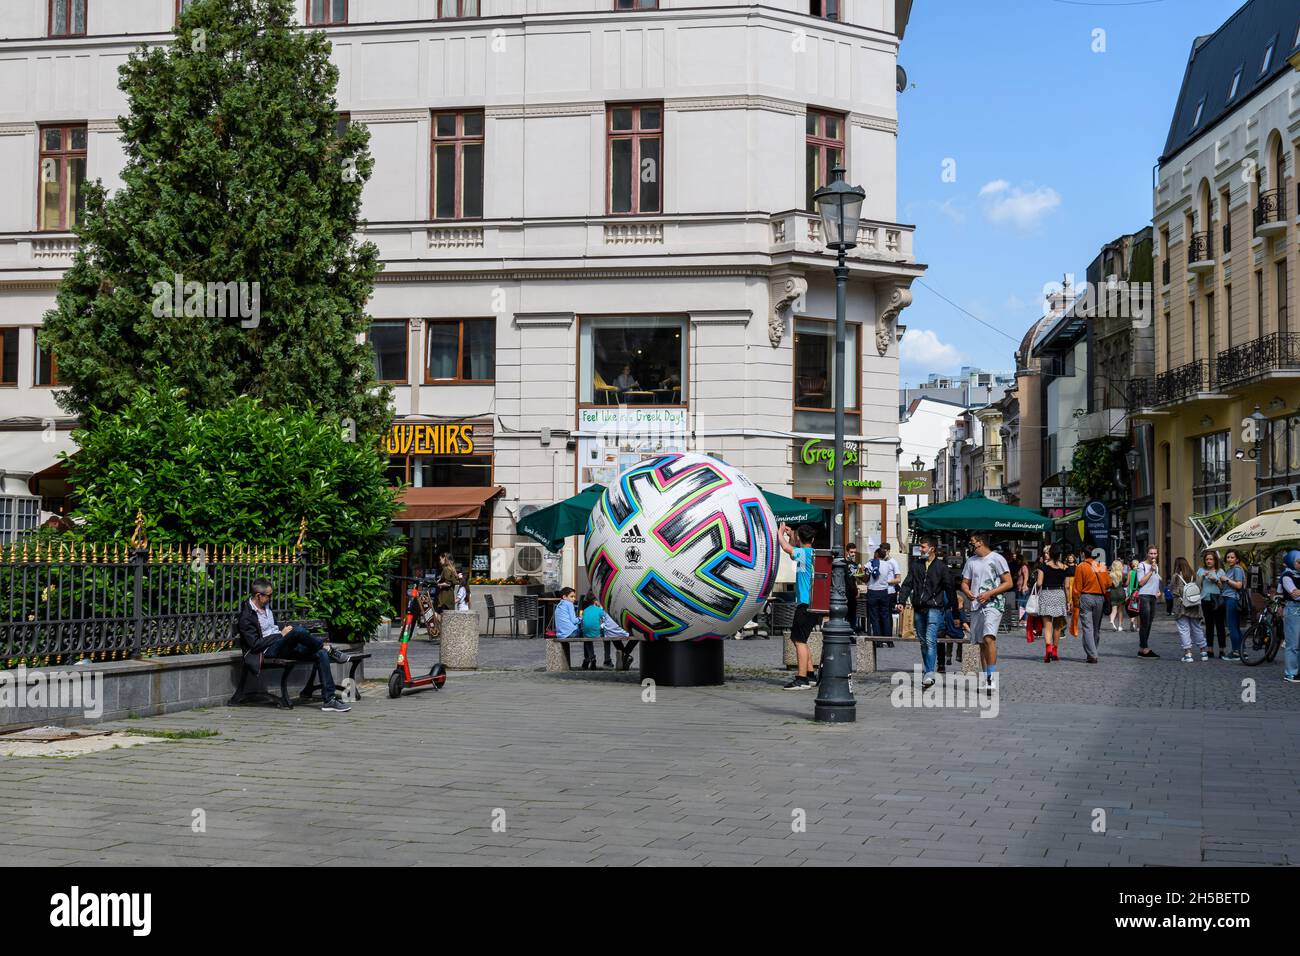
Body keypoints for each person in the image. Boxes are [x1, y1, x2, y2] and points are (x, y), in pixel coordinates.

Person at [237, 578, 351, 713]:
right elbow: (255, 645)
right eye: (269, 596)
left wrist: (283, 632)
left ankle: (329, 700)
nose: (271, 598)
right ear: (258, 595)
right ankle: (327, 647)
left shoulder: (266, 606)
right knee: (299, 631)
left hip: (281, 646)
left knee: (320, 654)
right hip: (266, 651)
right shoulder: (246, 617)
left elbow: (271, 629)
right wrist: (281, 635)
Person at [895, 535, 958, 689]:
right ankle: (928, 671)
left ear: (931, 548)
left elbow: (950, 590)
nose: (920, 550)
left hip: (934, 608)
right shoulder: (916, 565)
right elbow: (907, 583)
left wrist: (955, 612)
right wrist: (901, 601)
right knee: (923, 642)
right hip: (919, 608)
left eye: (923, 547)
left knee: (930, 640)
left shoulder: (942, 568)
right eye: (920, 547)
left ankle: (929, 673)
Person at [961, 531, 1012, 697]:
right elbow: (964, 583)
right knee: (982, 642)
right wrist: (967, 591)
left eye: (972, 541)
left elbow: (1008, 583)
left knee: (989, 637)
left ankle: (991, 677)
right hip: (976, 605)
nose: (970, 544)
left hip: (994, 604)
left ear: (980, 542)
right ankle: (986, 678)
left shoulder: (997, 559)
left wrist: (990, 593)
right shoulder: (971, 561)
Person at [778, 523, 820, 690]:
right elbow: (792, 552)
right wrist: (791, 537)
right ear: (813, 539)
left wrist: (780, 533)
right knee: (802, 639)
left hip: (804, 604)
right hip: (813, 604)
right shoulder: (811, 554)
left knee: (799, 640)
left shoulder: (803, 553)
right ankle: (810, 675)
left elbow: (786, 548)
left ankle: (801, 678)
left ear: (800, 539)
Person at [1034, 543, 1070, 663]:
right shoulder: (1065, 567)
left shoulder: (1043, 567)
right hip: (1059, 595)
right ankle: (1055, 652)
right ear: (1059, 554)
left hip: (1046, 594)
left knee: (1047, 626)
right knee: (1058, 626)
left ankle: (1048, 650)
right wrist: (1068, 601)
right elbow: (1067, 586)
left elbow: (1039, 583)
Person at [1074, 548, 1107, 664]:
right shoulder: (1101, 566)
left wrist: (1075, 602)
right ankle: (1093, 651)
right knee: (1096, 627)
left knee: (1088, 627)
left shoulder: (1081, 566)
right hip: (1100, 598)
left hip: (1086, 597)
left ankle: (1092, 654)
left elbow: (1077, 587)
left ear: (1083, 554)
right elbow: (1108, 583)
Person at [1171, 556, 1207, 662]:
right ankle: (1203, 651)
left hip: (1181, 607)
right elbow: (1200, 589)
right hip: (1194, 606)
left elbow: (1173, 591)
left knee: (1184, 629)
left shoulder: (1176, 577)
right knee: (1197, 628)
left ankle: (1188, 653)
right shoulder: (1195, 576)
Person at [555, 587, 597, 669]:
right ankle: (591, 659)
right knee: (588, 634)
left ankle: (587, 660)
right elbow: (574, 621)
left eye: (574, 596)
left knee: (585, 634)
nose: (574, 599)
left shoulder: (559, 605)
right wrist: (581, 618)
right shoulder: (569, 604)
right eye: (571, 596)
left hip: (562, 634)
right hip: (570, 633)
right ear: (564, 597)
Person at [1196, 550, 1227, 659]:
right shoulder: (1201, 570)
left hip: (1218, 600)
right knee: (1209, 625)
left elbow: (1223, 588)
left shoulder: (1220, 571)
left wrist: (1216, 580)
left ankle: (1222, 649)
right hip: (1205, 600)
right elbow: (1197, 586)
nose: (1209, 561)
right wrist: (1202, 577)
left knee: (1220, 625)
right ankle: (1210, 649)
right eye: (1207, 559)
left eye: (1211, 559)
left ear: (1215, 560)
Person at [1135, 547, 1163, 658]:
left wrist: (1158, 590)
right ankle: (1144, 648)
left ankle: (1142, 649)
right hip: (1144, 596)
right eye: (1151, 553)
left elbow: (1155, 580)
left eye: (1155, 553)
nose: (1153, 555)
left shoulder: (1156, 566)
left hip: (1152, 597)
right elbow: (1141, 582)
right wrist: (1151, 571)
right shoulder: (1141, 566)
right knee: (1144, 623)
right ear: (1147, 554)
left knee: (1149, 623)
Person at [1278, 549, 1300, 684]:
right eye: (1298, 562)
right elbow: (1294, 595)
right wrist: (1296, 593)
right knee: (1293, 643)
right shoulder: (1287, 575)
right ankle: (1290, 673)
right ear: (1291, 562)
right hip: (1293, 610)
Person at [1221, 548, 1248, 661]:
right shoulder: (1231, 569)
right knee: (1235, 627)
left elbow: (1239, 585)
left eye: (1232, 557)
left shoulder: (1237, 569)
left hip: (1233, 599)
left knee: (1232, 627)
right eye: (1228, 557)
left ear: (1237, 559)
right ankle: (1242, 651)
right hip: (1229, 598)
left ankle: (1236, 652)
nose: (1230, 559)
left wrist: (1226, 579)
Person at [864, 546, 893, 638]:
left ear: (876, 554)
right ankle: (888, 639)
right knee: (885, 616)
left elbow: (863, 573)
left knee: (874, 616)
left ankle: (878, 640)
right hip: (884, 591)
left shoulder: (870, 563)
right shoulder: (888, 565)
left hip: (873, 591)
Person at [844, 542, 861, 636]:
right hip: (844, 592)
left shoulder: (854, 564)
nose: (853, 554)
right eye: (851, 552)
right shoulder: (842, 563)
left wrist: (857, 588)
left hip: (852, 593)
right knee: (844, 614)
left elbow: (855, 578)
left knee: (852, 615)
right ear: (847, 552)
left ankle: (852, 633)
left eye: (854, 552)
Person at [1107, 560, 1128, 631]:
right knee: (1121, 610)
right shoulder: (1122, 574)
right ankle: (1120, 626)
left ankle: (1112, 620)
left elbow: (1108, 585)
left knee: (1114, 609)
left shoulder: (1110, 575)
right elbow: (1126, 584)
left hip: (1113, 593)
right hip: (1121, 592)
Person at [1015, 553, 1031, 622]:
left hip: (1023, 588)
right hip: (1019, 588)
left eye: (1017, 560)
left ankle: (1023, 619)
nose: (1016, 561)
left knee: (1021, 604)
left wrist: (1023, 587)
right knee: (1022, 604)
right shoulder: (1021, 567)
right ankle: (1023, 619)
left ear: (1020, 559)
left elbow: (1026, 577)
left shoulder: (1024, 567)